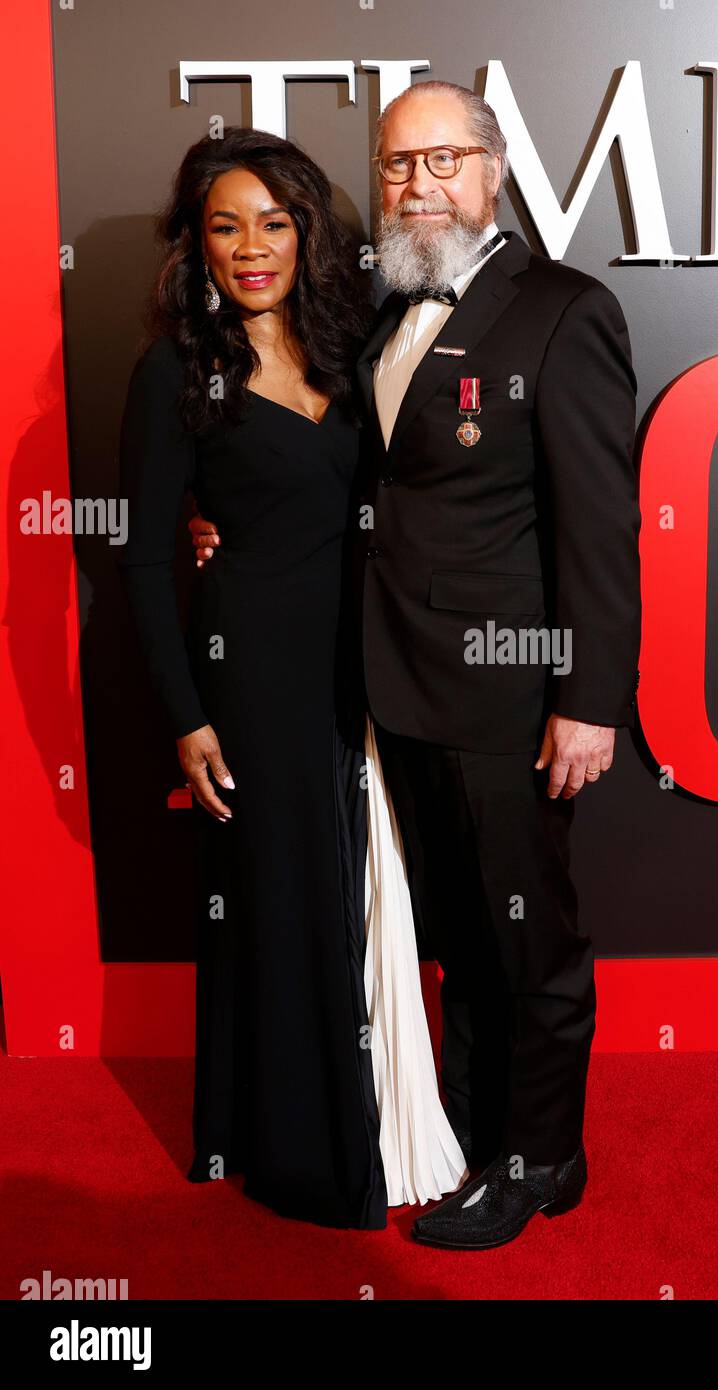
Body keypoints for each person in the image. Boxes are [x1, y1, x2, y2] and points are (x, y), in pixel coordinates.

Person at [193, 82, 642, 1250]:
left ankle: (536, 1158)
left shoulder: (561, 309)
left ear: (493, 170)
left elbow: (599, 527)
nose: (416, 183)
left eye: (443, 159)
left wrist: (588, 700)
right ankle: (493, 1132)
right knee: (462, 933)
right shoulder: (383, 308)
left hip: (509, 691)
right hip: (397, 687)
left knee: (530, 937)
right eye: (396, 164)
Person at [118, 126, 466, 1231]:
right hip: (252, 681)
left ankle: (393, 1116)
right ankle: (305, 1151)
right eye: (225, 226)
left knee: (373, 891)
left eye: (274, 222)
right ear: (197, 245)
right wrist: (186, 718)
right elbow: (137, 556)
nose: (251, 247)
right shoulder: (174, 370)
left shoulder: (354, 340)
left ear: (307, 231)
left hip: (369, 667)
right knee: (286, 905)